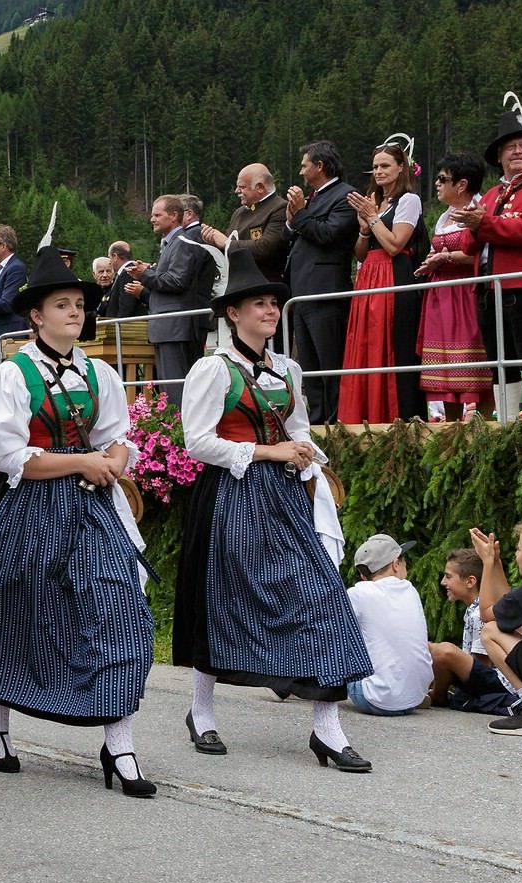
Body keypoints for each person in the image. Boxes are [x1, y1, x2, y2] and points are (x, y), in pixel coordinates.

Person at [0, 245, 156, 797]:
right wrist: (83, 462)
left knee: (120, 610)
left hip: (94, 506)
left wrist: (112, 460)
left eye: (79, 305)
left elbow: (117, 436)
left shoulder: (99, 372)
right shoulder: (12, 376)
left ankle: (120, 744)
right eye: (62, 305)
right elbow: (7, 456)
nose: (75, 313)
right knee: (15, 608)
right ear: (36, 316)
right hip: (30, 505)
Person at [173, 247, 375, 771]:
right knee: (220, 602)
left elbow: (299, 427)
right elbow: (197, 442)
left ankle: (327, 730)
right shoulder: (213, 369)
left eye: (273, 303)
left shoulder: (287, 369)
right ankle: (201, 711)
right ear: (232, 313)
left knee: (322, 596)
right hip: (230, 497)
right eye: (258, 303)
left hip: (284, 496)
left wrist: (305, 453)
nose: (269, 310)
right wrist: (268, 452)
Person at [456, 94, 522, 422]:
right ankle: (507, 425)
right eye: (510, 147)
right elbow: (468, 245)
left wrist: (482, 224)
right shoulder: (491, 194)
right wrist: (475, 226)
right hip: (488, 288)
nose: (518, 151)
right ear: (499, 157)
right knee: (500, 361)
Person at [339, 138, 429, 424]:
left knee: (393, 344)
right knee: (366, 344)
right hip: (370, 276)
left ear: (401, 168)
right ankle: (366, 412)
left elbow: (394, 245)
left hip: (393, 275)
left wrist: (372, 218)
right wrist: (364, 229)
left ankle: (399, 413)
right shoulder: (376, 202)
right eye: (375, 166)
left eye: (385, 166)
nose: (378, 171)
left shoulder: (408, 200)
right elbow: (361, 253)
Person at [284, 140, 361, 423]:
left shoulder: (345, 196)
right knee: (309, 364)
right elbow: (292, 235)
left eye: (304, 165)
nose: (301, 172)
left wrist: (301, 214)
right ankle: (316, 420)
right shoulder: (312, 198)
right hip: (301, 292)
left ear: (319, 166)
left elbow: (329, 234)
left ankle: (336, 420)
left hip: (326, 291)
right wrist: (292, 218)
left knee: (330, 360)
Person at [415, 154, 492, 420]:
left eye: (442, 179)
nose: (437, 184)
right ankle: (451, 427)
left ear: (461, 185)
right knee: (445, 365)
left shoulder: (479, 210)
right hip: (441, 294)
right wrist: (432, 261)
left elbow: (482, 255)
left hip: (467, 292)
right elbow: (439, 250)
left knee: (474, 361)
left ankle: (483, 425)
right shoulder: (444, 217)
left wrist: (446, 258)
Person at [126, 195, 215, 408]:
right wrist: (149, 272)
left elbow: (177, 281)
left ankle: (181, 426)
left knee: (177, 390)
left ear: (174, 216)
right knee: (170, 388)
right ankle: (175, 425)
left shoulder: (183, 243)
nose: (152, 219)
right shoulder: (170, 244)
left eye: (157, 215)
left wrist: (145, 275)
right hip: (167, 326)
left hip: (175, 326)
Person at [471, 522, 522, 733]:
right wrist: (496, 563)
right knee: (515, 629)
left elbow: (486, 613)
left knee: (490, 631)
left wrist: (487, 563)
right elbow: (507, 606)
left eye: (519, 550)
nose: (516, 555)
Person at [345, 534, 432, 715]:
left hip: (374, 700)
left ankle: (303, 686)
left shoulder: (358, 593)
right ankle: (403, 694)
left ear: (363, 575)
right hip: (414, 698)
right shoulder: (411, 590)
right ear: (395, 564)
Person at [428, 548, 517, 715]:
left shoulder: (479, 614)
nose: (443, 582)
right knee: (439, 653)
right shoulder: (473, 609)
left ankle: (438, 697)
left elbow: (483, 665)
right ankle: (436, 692)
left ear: (470, 581)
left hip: (499, 683)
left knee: (442, 651)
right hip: (485, 677)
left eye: (448, 577)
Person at [203, 164, 289, 283]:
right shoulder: (239, 212)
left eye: (242, 187)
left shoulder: (280, 208)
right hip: (238, 284)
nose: (236, 191)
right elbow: (231, 250)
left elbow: (266, 248)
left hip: (264, 285)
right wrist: (215, 245)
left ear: (260, 188)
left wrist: (226, 243)